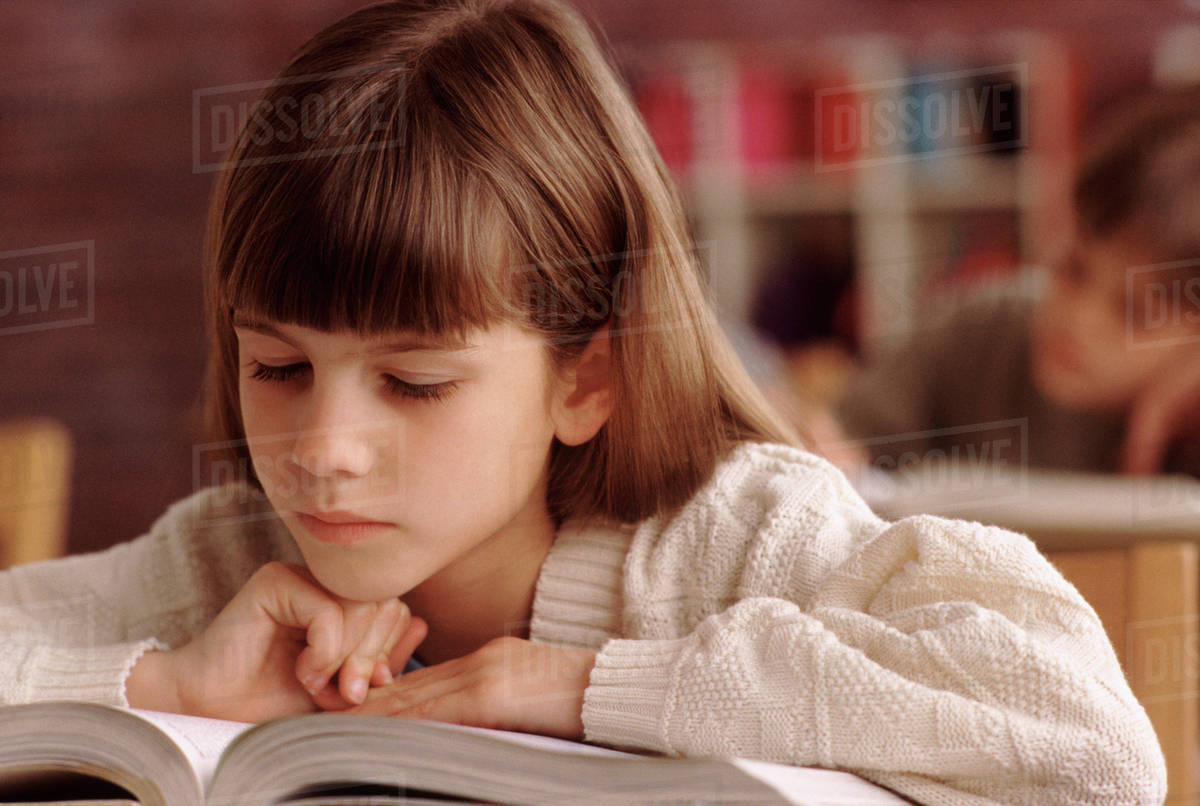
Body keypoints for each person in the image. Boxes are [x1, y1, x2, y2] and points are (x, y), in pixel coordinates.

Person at [0, 1, 1165, 803]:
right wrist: (168, 684)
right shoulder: (232, 562)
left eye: (415, 381)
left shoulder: (734, 536)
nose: (323, 452)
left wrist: (578, 684)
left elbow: (1095, 746)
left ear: (587, 376)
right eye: (279, 365)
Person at [835, 85, 1200, 477]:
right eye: (1073, 268)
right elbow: (841, 445)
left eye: (1134, 311)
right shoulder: (975, 332)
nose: (1079, 317)